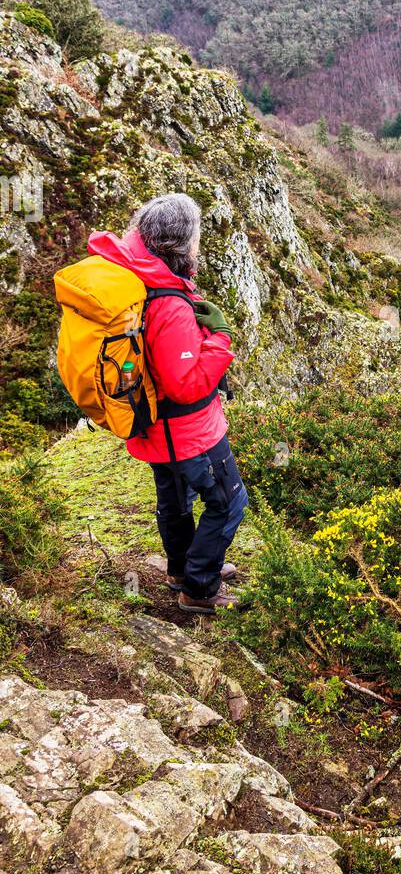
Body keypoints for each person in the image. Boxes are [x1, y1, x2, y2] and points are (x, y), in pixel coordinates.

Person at [87, 194, 248, 614]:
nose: (198, 247)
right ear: (180, 245)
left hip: (155, 427)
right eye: (195, 239)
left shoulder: (135, 275)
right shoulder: (167, 302)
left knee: (175, 498)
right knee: (229, 501)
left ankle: (181, 568)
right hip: (189, 431)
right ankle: (199, 589)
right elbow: (186, 385)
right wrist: (220, 338)